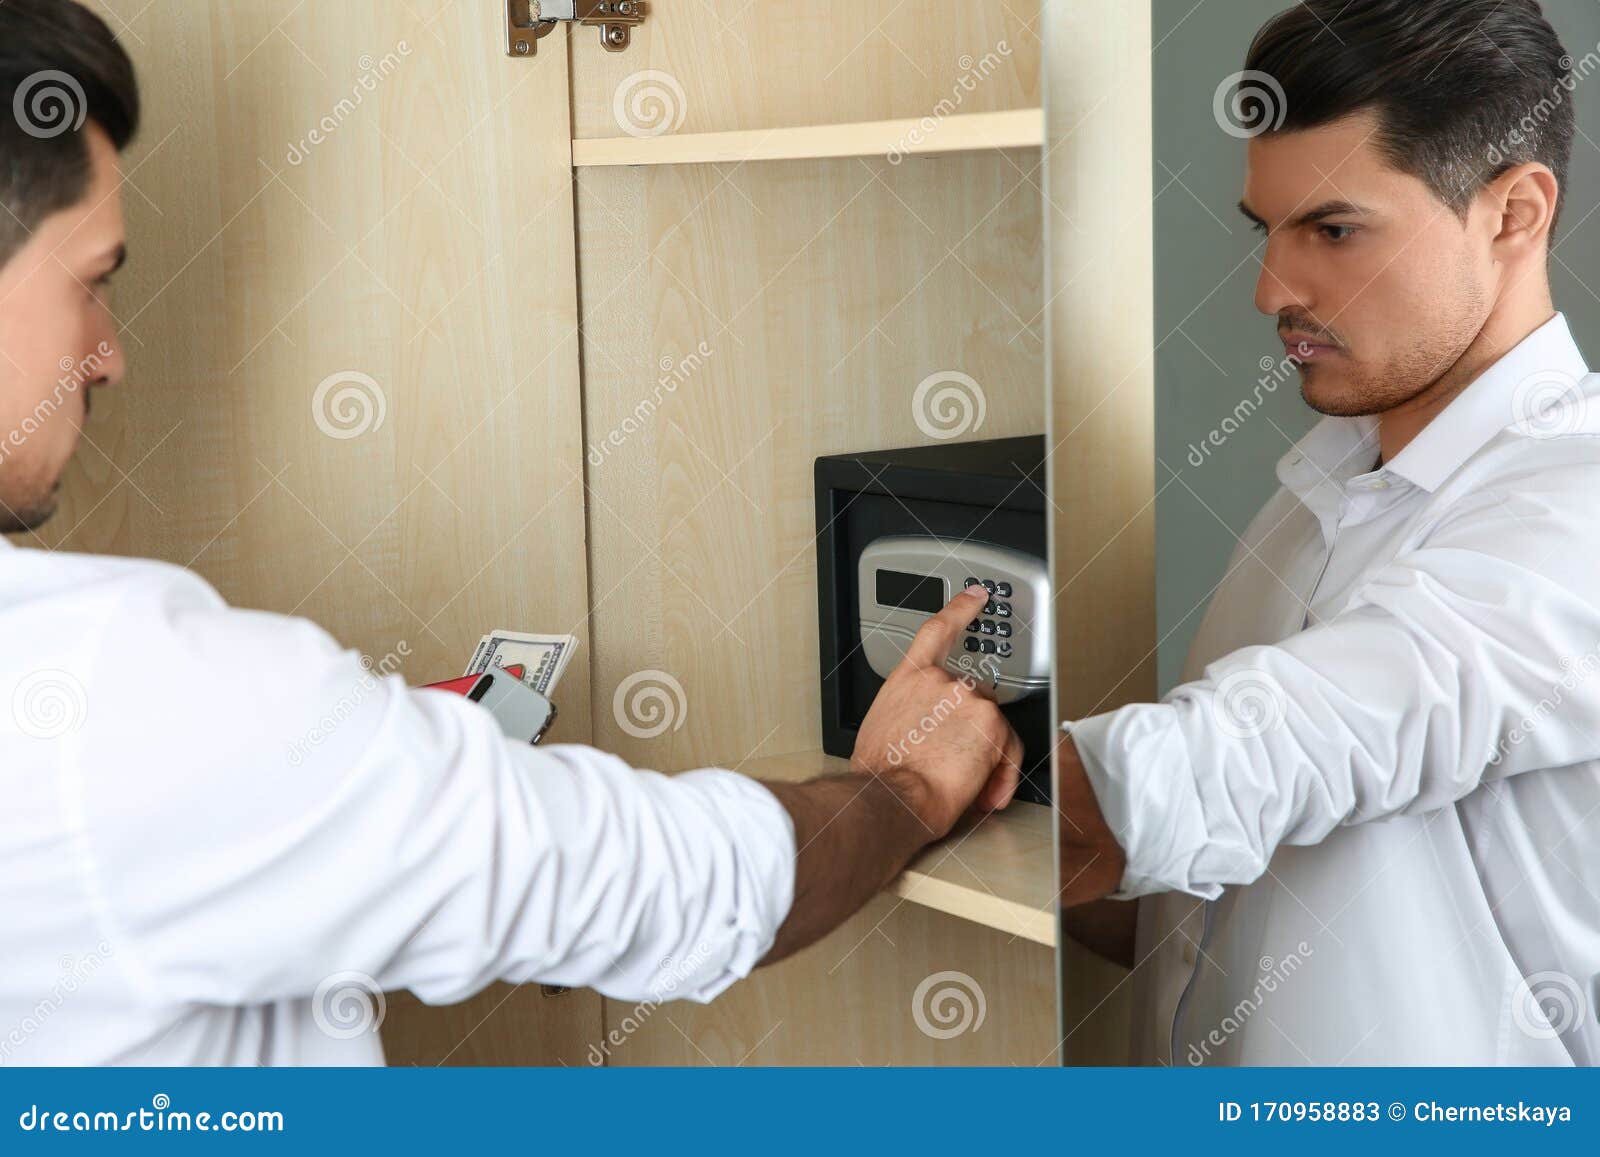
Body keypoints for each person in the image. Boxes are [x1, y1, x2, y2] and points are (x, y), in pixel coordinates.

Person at [0, 0, 1024, 1065]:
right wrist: (905, 784)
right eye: (92, 281)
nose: (108, 353)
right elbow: (675, 886)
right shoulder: (117, 696)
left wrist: (383, 771)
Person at [1053, 0, 1600, 1066]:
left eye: (1333, 230)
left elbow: (1268, 748)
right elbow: (1243, 887)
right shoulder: (1314, 493)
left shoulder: (1578, 502)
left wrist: (917, 790)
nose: (1272, 290)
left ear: (1514, 213)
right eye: (1269, 229)